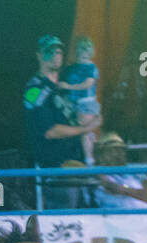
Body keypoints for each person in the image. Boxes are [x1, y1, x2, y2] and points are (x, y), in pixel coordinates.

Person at [23, 34, 100, 208]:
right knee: (66, 221)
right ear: (39, 55)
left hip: (77, 164)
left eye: (59, 51)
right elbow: (50, 131)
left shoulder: (64, 84)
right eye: (50, 52)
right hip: (56, 169)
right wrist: (87, 128)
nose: (56, 55)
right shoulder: (34, 88)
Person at [59, 36, 100, 164]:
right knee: (83, 132)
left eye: (86, 49)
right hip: (73, 103)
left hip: (87, 102)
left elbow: (87, 84)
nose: (83, 52)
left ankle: (90, 161)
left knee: (85, 131)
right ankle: (89, 159)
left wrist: (68, 86)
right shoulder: (73, 67)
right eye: (81, 49)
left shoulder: (91, 68)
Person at [92, 132, 147, 208]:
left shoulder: (134, 170)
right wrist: (142, 194)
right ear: (101, 154)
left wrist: (125, 190)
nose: (119, 153)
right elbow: (112, 187)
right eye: (113, 150)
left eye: (121, 149)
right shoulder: (97, 170)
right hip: (115, 216)